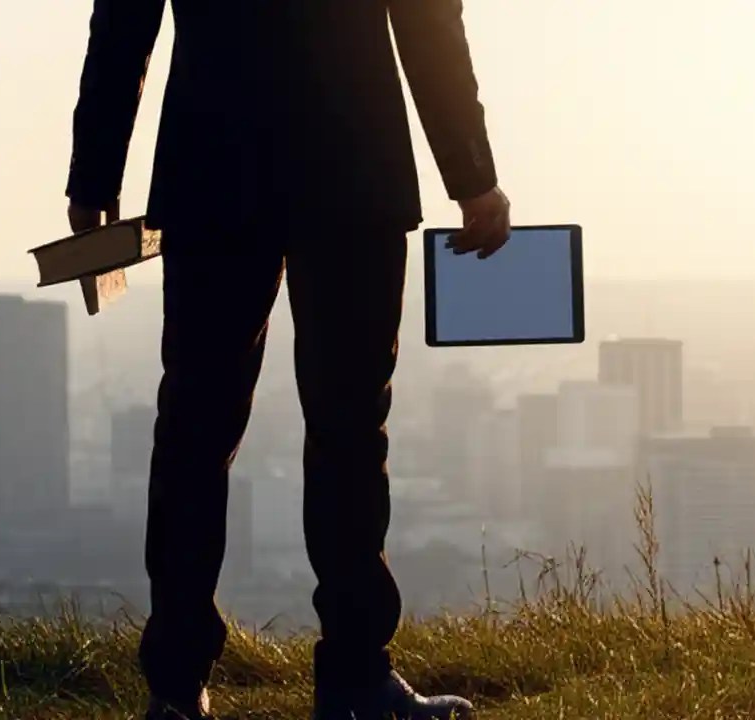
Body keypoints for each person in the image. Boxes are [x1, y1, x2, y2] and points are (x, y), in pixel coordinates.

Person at [64, 1, 510, 718]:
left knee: (193, 435)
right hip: (352, 170)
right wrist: (472, 175)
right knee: (350, 432)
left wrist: (93, 179)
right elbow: (428, 18)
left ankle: (177, 689)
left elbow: (123, 19)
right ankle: (356, 680)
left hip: (213, 173)